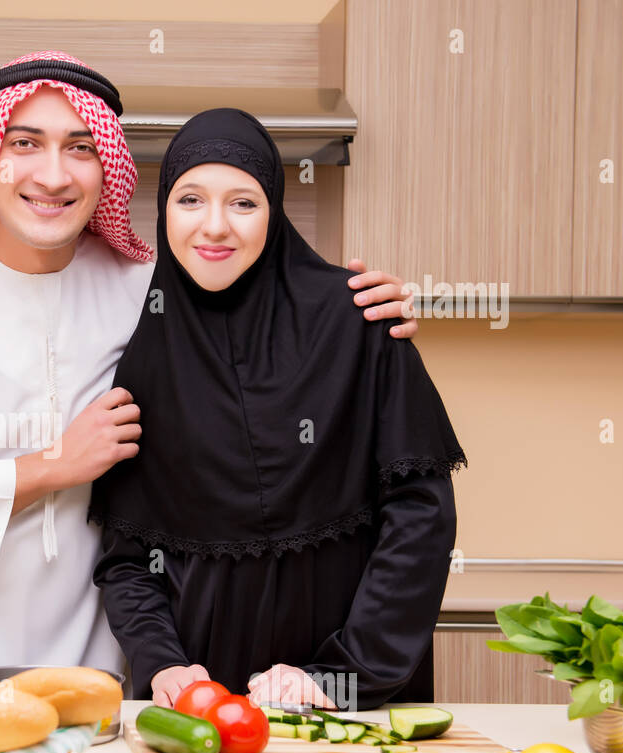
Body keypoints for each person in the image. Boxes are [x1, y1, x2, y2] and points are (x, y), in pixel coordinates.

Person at [0, 52, 419, 699]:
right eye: (26, 143)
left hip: (85, 688)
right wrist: (52, 464)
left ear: (105, 165)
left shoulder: (146, 292)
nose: (52, 175)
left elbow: (269, 328)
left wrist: (355, 308)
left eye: (80, 148)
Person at [89, 108, 466, 712]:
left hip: (352, 692)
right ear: (162, 211)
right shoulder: (146, 352)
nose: (214, 227)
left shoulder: (361, 323)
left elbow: (420, 516)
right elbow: (128, 557)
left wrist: (342, 674)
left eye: (243, 202)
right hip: (202, 704)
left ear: (275, 212)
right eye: (190, 200)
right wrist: (163, 664)